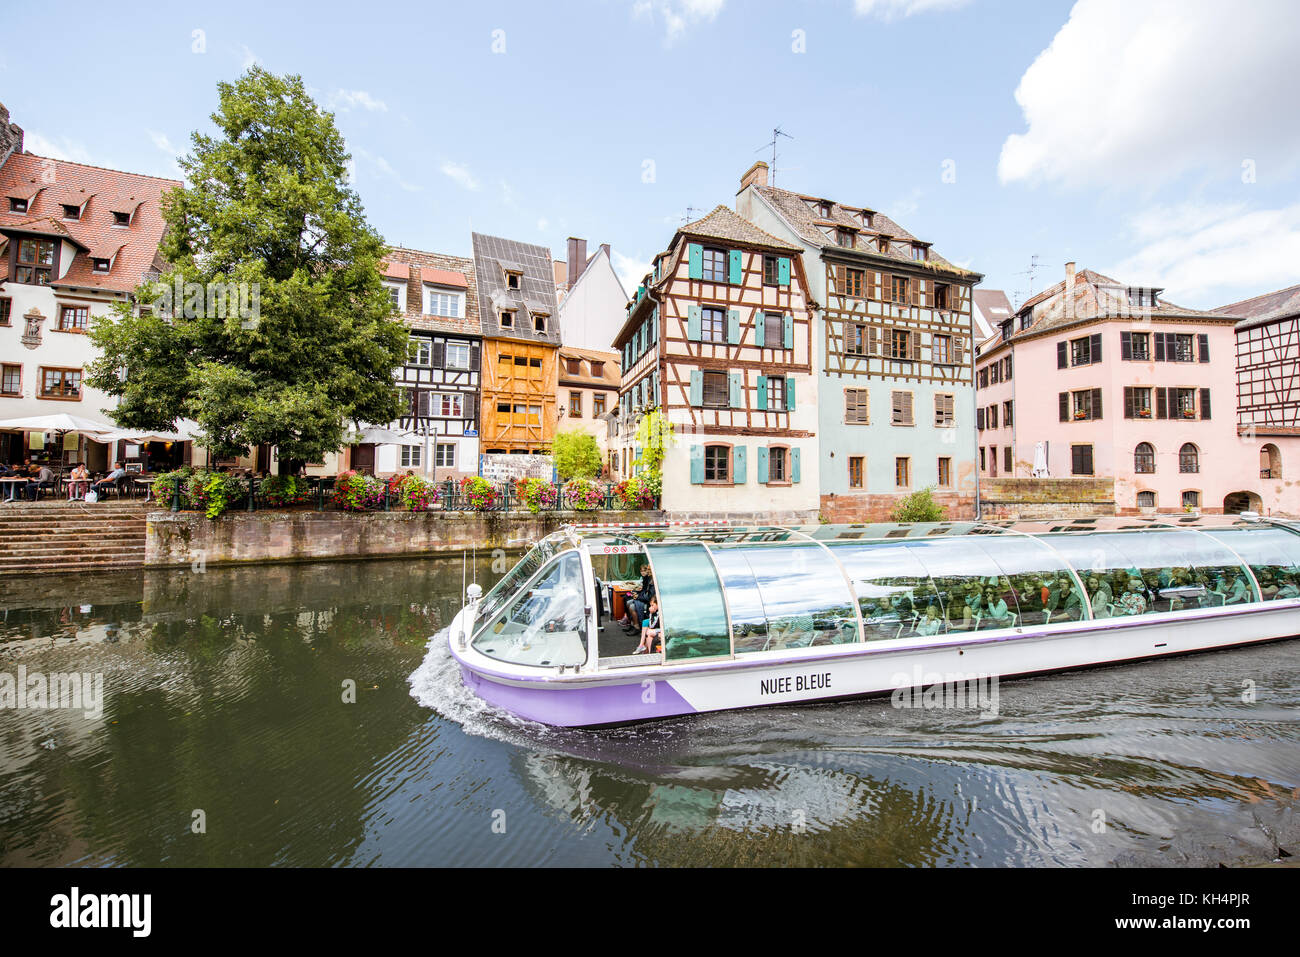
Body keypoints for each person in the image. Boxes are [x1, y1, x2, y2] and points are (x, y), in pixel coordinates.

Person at [621, 563, 656, 634]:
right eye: (647, 570)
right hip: (645, 599)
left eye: (648, 570)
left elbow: (649, 597)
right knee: (628, 602)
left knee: (632, 606)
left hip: (649, 602)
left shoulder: (653, 581)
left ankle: (637, 627)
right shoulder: (648, 578)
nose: (647, 572)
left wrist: (638, 596)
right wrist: (637, 595)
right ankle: (633, 624)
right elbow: (645, 591)